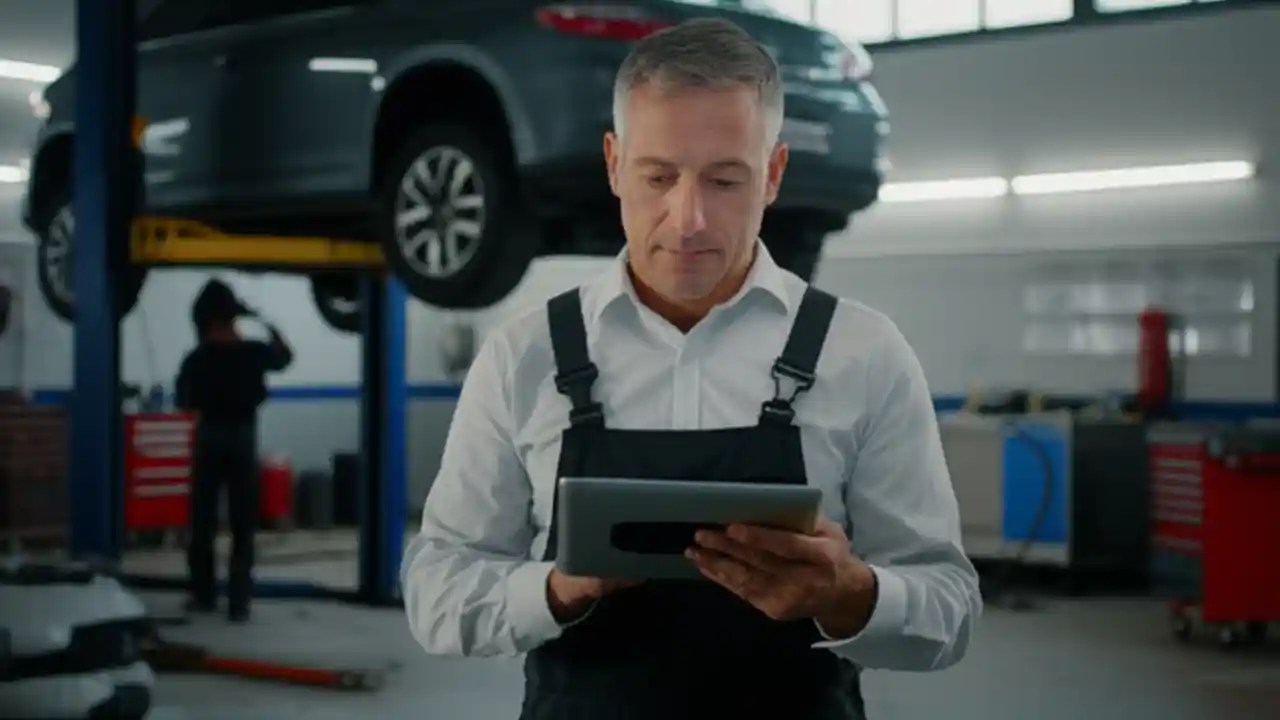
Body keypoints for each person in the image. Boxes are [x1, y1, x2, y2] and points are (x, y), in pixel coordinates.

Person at [401, 18, 981, 719]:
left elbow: (950, 610)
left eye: (725, 180)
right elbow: (435, 593)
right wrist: (556, 590)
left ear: (773, 174)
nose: (688, 219)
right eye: (658, 177)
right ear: (614, 164)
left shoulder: (861, 353)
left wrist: (850, 593)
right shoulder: (526, 356)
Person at [175, 278, 293, 622]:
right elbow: (286, 356)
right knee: (243, 525)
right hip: (243, 440)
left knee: (203, 523)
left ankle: (204, 596)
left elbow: (184, 402)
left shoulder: (196, 359)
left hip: (209, 438)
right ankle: (238, 603)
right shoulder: (254, 352)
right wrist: (264, 321)